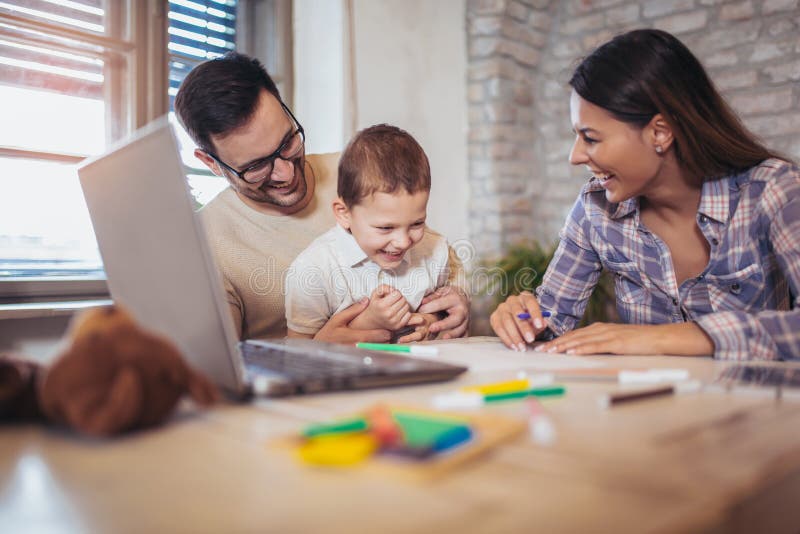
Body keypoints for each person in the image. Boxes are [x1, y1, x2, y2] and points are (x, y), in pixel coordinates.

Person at [490, 28, 799, 360]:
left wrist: (664, 339)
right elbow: (551, 323)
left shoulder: (771, 189)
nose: (575, 156)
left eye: (591, 138)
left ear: (660, 132)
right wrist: (525, 321)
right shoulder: (594, 209)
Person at [174, 52, 469, 343]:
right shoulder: (205, 245)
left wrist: (454, 304)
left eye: (288, 142)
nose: (286, 172)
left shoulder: (358, 174)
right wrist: (318, 348)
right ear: (211, 163)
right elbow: (218, 374)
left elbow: (430, 255)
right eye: (256, 166)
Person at [285, 124, 455, 342]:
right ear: (344, 214)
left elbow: (445, 316)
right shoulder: (312, 270)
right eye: (386, 228)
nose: (403, 242)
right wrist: (369, 321)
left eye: (417, 223)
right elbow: (298, 354)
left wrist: (431, 321)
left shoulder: (436, 251)